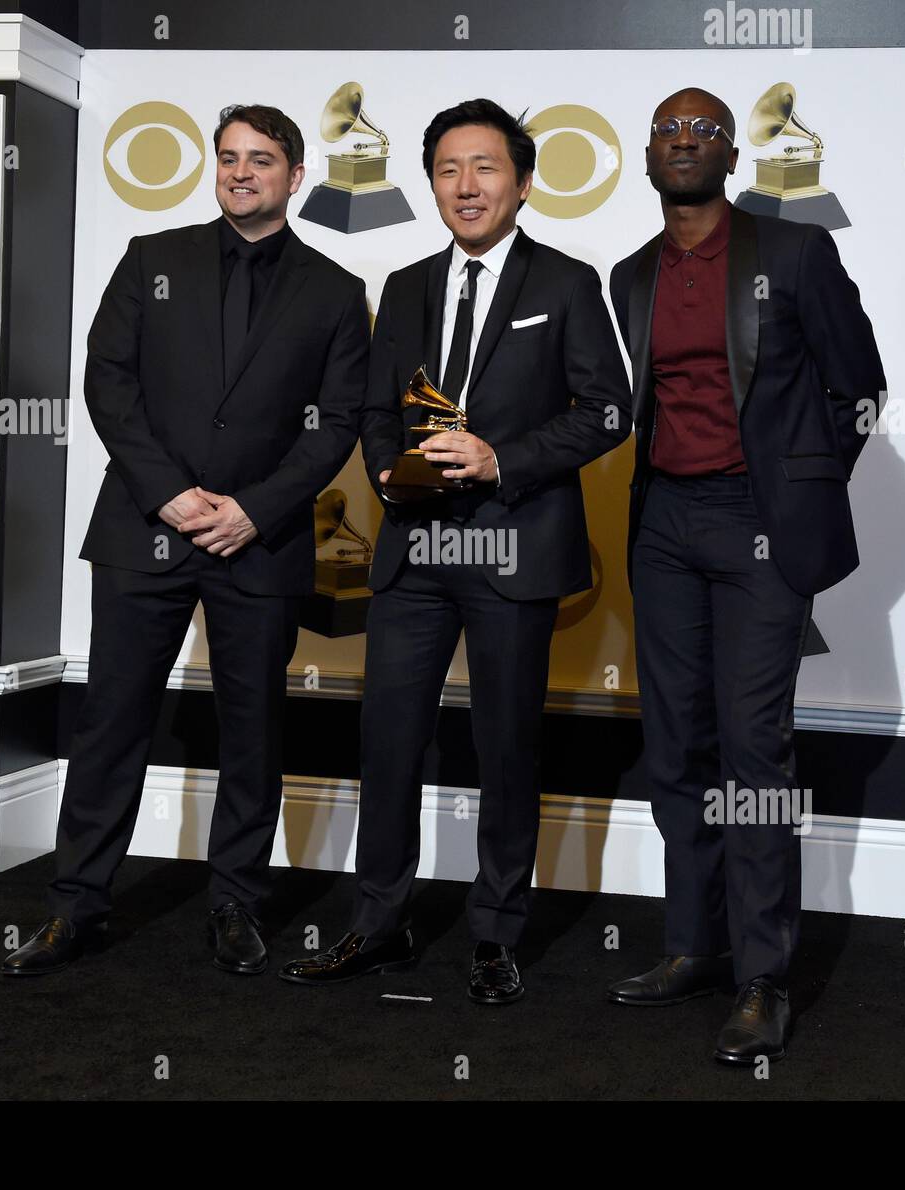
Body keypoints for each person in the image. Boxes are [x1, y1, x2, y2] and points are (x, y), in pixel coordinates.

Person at [3, 104, 368, 977]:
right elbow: (107, 382)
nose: (243, 172)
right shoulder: (150, 260)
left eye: (263, 159)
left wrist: (256, 509)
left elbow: (339, 423)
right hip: (143, 531)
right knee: (112, 724)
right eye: (230, 157)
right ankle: (77, 907)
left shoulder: (334, 289)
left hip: (261, 542)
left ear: (295, 176)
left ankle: (236, 901)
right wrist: (168, 494)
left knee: (252, 729)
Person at [280, 98, 631, 1004]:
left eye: (484, 168)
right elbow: (371, 410)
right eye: (446, 169)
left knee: (506, 745)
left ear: (522, 181)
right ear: (430, 182)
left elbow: (605, 411)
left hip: (516, 546)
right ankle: (378, 923)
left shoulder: (567, 283)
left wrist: (501, 459)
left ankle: (496, 935)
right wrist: (391, 479)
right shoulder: (402, 286)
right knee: (388, 739)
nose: (465, 186)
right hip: (415, 550)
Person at [607, 88, 885, 1062]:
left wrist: (801, 491)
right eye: (667, 132)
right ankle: (693, 942)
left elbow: (859, 385)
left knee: (752, 751)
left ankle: (763, 975)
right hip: (664, 525)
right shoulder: (629, 274)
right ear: (647, 152)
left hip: (759, 523)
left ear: (730, 156)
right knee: (675, 743)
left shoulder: (794, 253)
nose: (683, 143)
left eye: (703, 133)